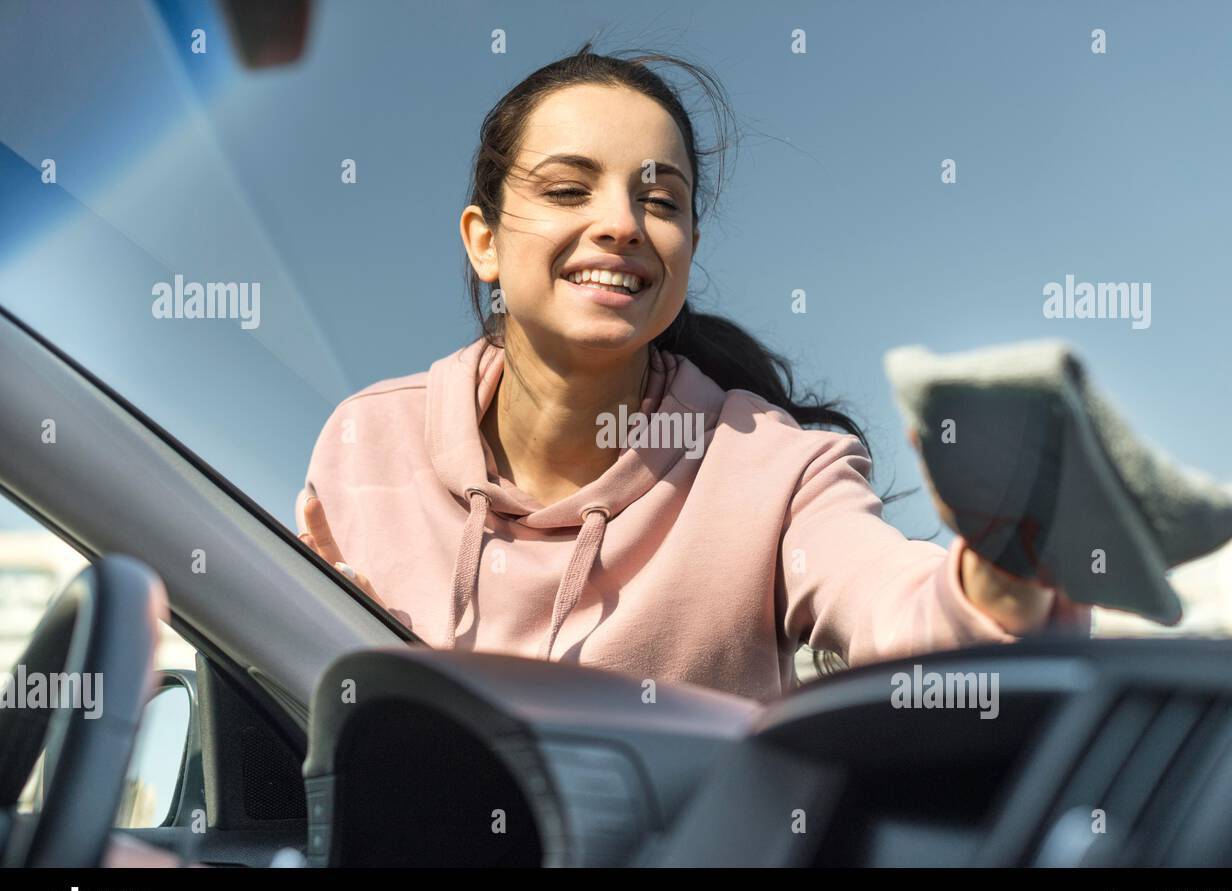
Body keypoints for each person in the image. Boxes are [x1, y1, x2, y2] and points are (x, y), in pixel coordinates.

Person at [295, 43, 1089, 703]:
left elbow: (891, 599)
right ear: (484, 239)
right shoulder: (367, 441)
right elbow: (287, 674)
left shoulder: (776, 470)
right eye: (569, 189)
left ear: (688, 251)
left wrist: (1000, 582)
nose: (621, 224)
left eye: (661, 201)